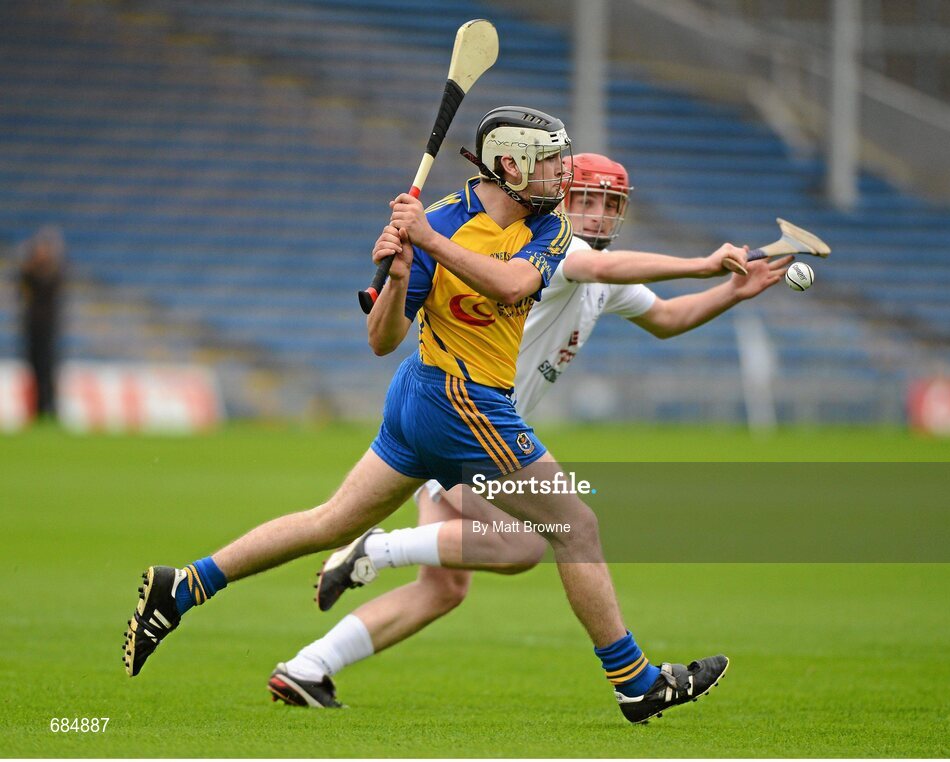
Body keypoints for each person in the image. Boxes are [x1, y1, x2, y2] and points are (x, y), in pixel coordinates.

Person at [122, 108, 728, 725]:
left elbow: (514, 286)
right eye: (549, 161)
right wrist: (401, 275)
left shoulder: (543, 228)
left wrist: (427, 244)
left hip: (436, 399)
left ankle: (186, 585)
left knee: (333, 523)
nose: (561, 173)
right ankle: (636, 683)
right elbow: (381, 339)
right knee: (575, 524)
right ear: (511, 166)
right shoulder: (438, 221)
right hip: (457, 399)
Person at [266, 153, 793, 714]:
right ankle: (376, 548)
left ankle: (308, 668)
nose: (595, 215)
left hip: (476, 428)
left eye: (609, 204)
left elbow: (665, 319)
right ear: (560, 198)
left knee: (445, 587)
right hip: (467, 423)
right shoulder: (557, 251)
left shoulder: (598, 271)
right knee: (532, 540)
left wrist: (734, 293)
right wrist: (704, 263)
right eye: (585, 200)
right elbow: (602, 269)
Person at [18, 226, 66, 419]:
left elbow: (51, 284)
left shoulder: (52, 273)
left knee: (48, 369)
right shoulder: (29, 273)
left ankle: (51, 409)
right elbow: (21, 289)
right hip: (32, 328)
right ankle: (37, 410)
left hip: (48, 329)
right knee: (34, 369)